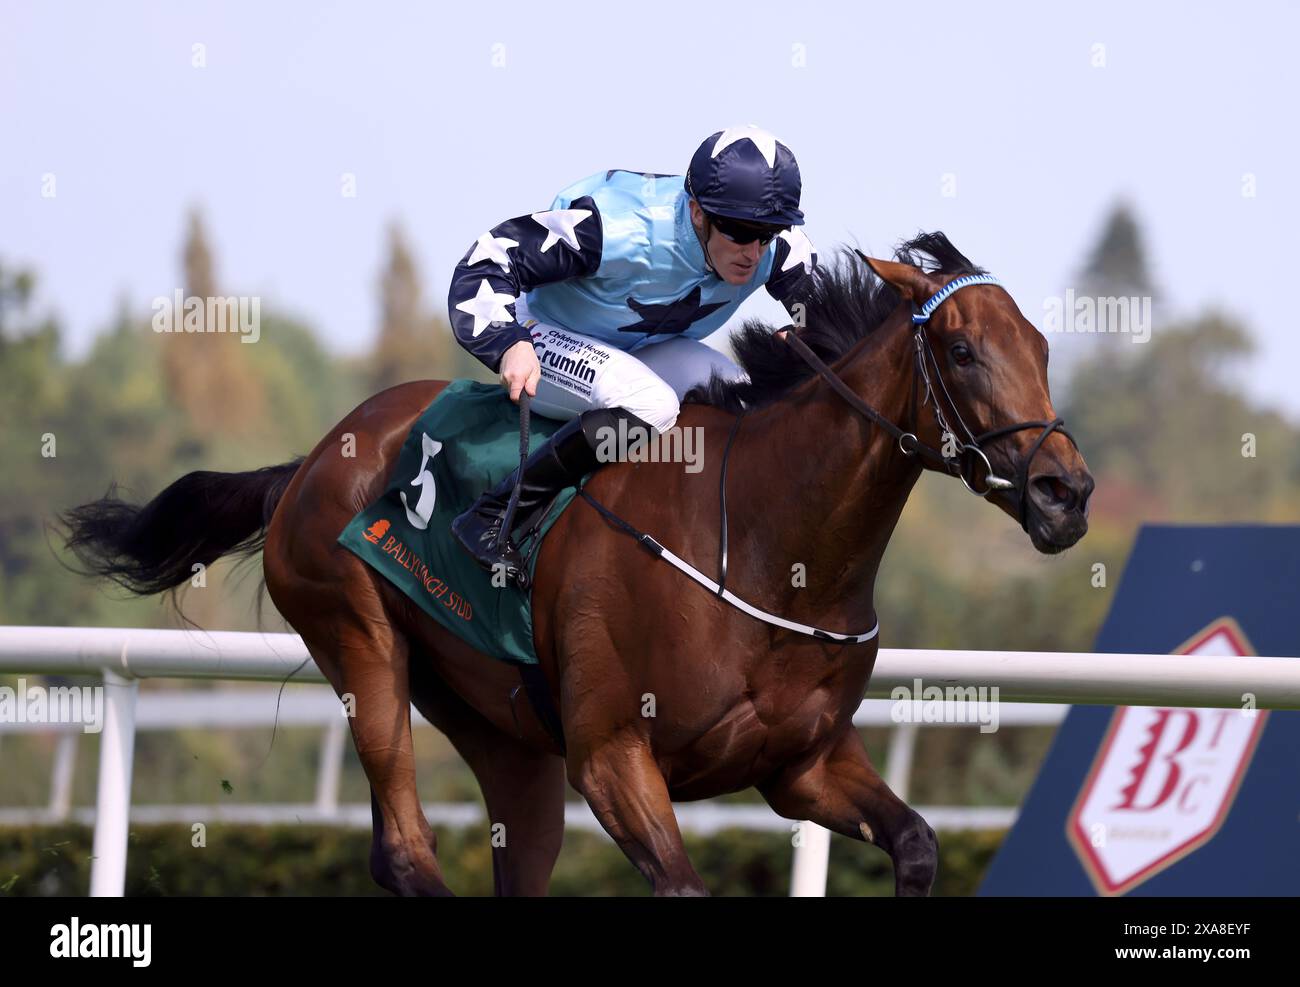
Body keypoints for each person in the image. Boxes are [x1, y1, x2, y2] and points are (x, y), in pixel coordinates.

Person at [446, 124, 818, 580]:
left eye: (769, 232)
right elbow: (485, 263)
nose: (754, 251)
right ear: (698, 212)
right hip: (544, 334)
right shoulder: (616, 229)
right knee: (652, 404)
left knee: (743, 401)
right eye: (740, 232)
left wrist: (801, 334)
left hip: (643, 349)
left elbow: (822, 316)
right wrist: (507, 342)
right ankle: (494, 516)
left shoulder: (778, 250)